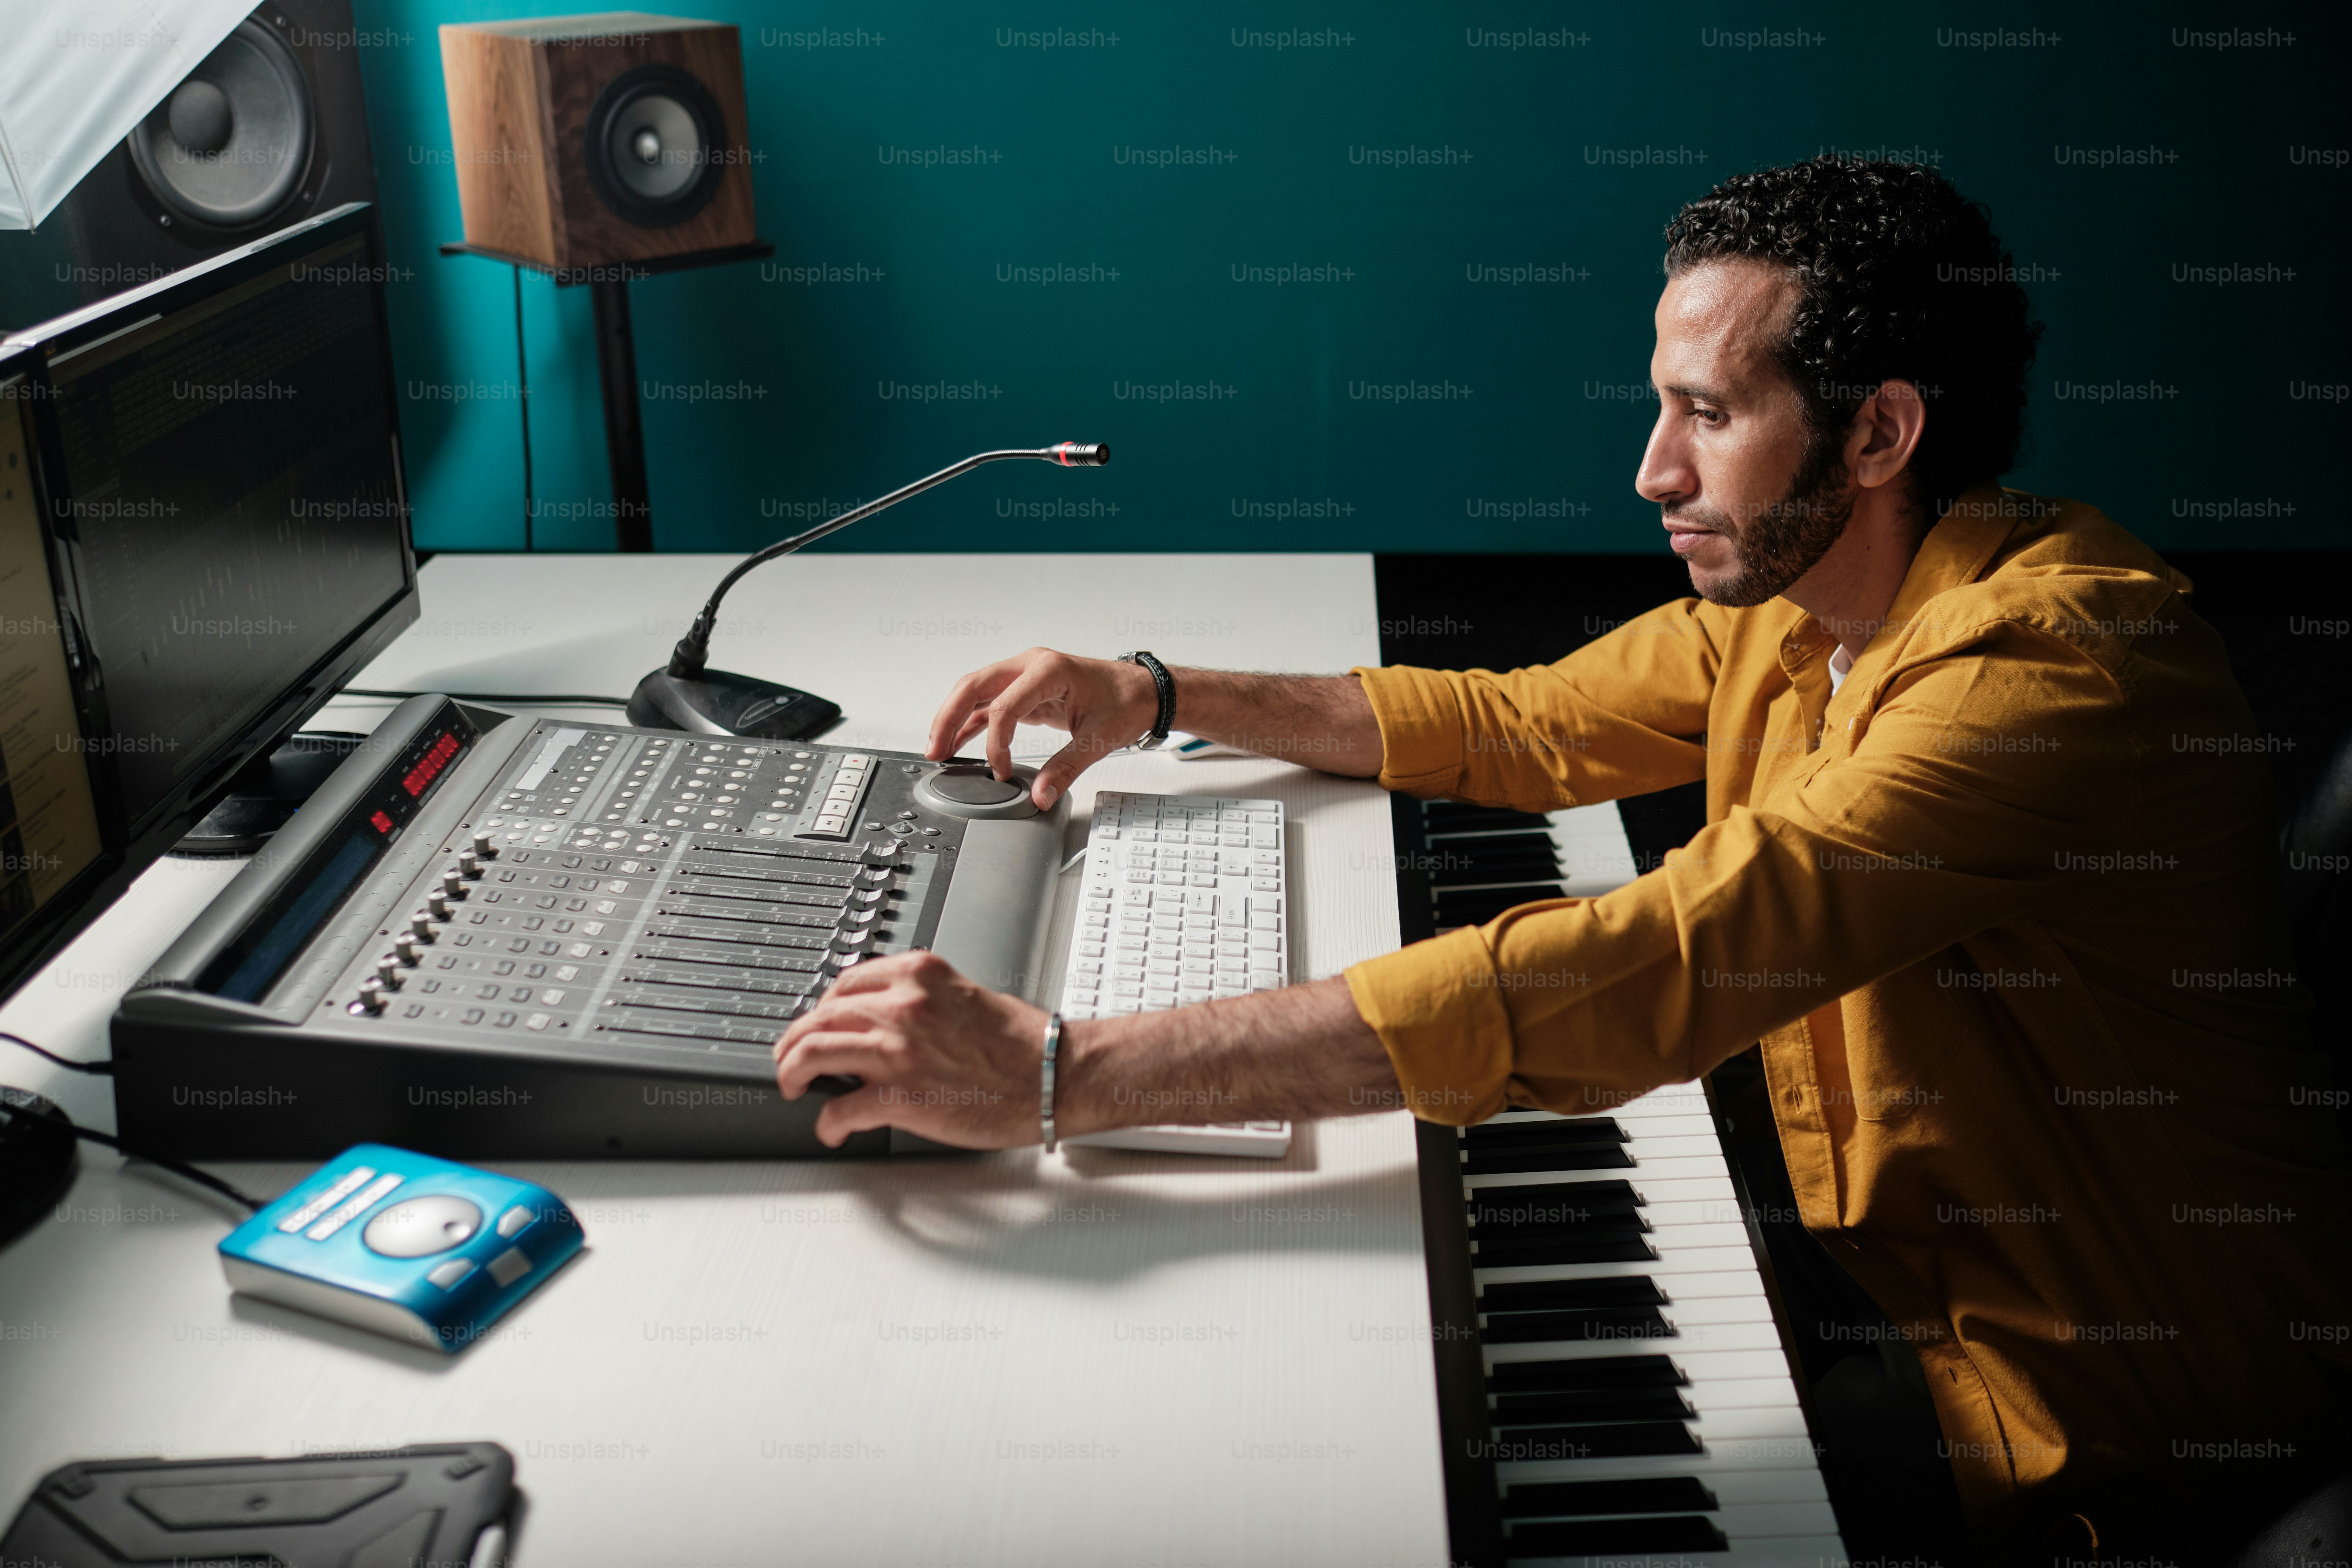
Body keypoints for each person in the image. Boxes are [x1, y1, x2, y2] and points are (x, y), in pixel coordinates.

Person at [772, 156, 2350, 1562]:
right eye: (1663, 405)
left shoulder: (2051, 671)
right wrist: (1161, 690)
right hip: (1882, 1289)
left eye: (1710, 415)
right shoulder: (1817, 607)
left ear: (1879, 431)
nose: (1655, 470)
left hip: (2077, 1430)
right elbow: (1525, 722)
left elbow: (1662, 962)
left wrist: (1061, 1069)